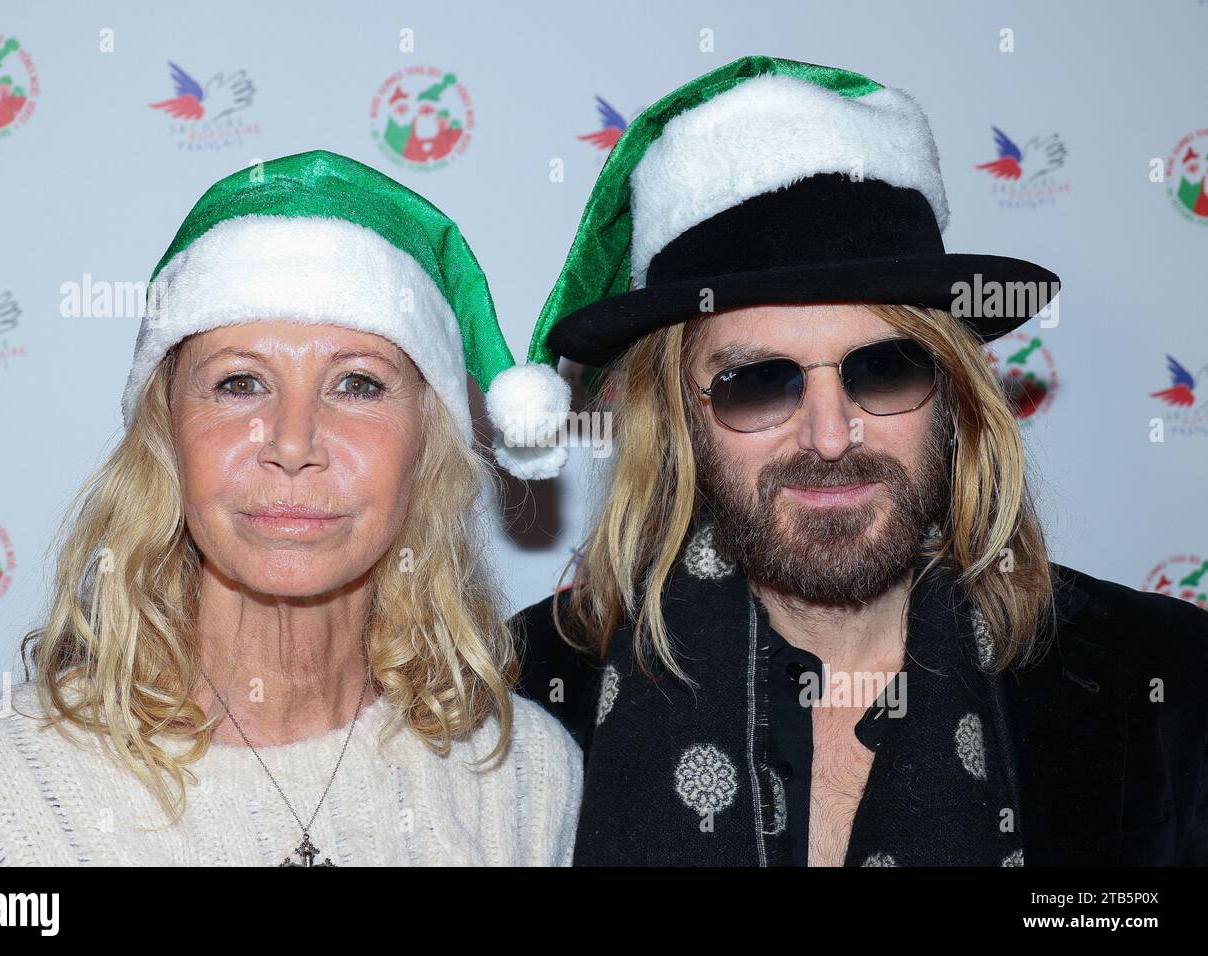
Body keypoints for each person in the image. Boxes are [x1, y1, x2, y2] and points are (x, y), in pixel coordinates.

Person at [511, 55, 1208, 866]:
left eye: (884, 368)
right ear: (673, 421)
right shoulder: (526, 703)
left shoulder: (1164, 688)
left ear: (957, 397)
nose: (831, 435)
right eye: (756, 382)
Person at [0, 149, 581, 866]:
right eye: (238, 384)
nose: (292, 443)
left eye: (356, 384)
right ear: (167, 436)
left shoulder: (525, 780)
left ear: (428, 443)